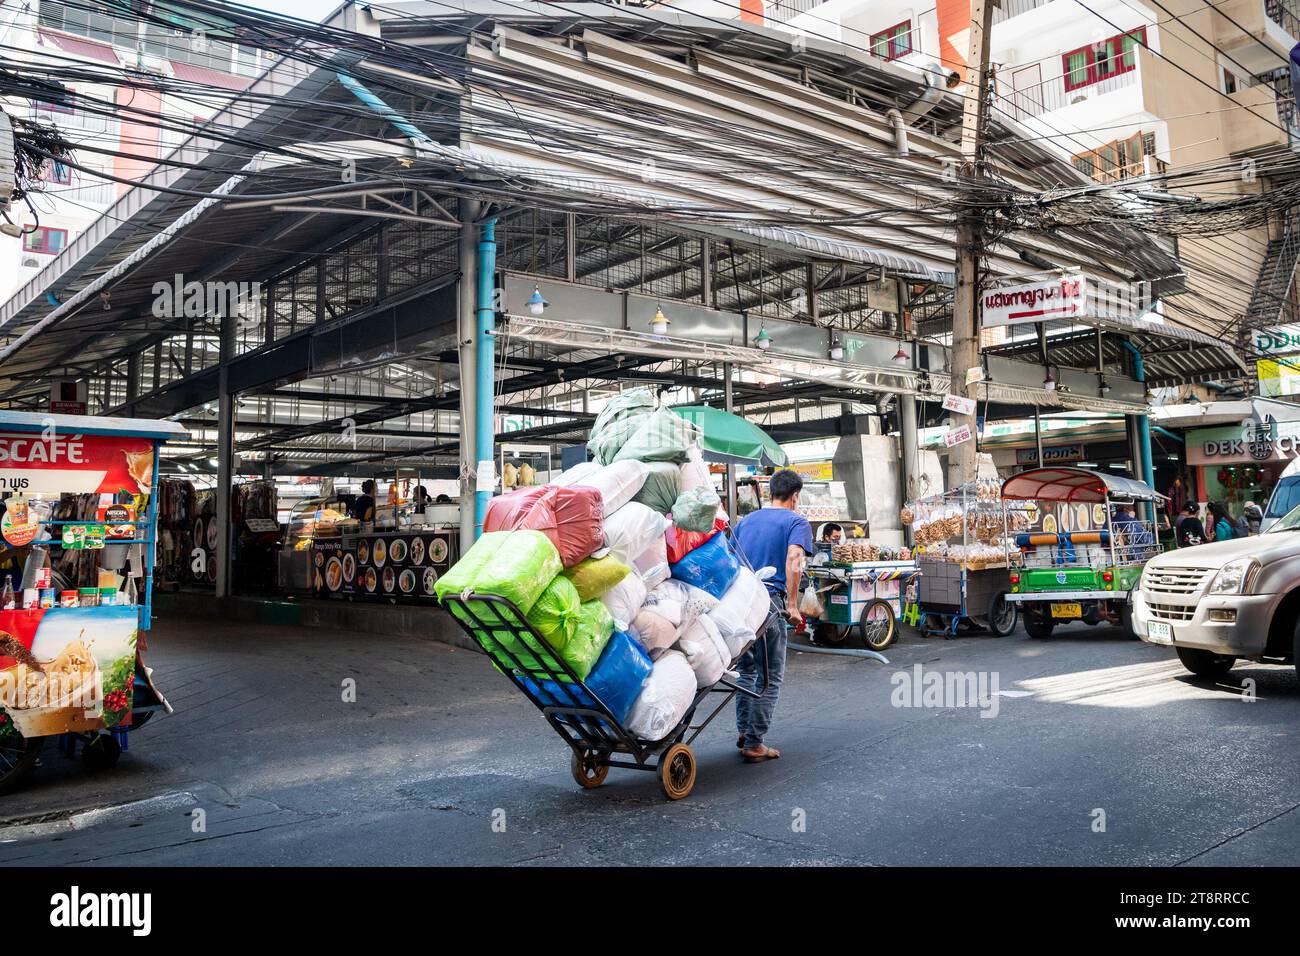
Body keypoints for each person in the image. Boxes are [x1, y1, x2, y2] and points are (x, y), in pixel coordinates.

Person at [730, 469, 814, 764]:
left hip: (738, 604)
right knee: (771, 675)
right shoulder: (796, 521)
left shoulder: (746, 521)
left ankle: (745, 731)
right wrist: (793, 605)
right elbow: (794, 559)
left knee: (747, 672)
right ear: (795, 496)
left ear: (769, 493)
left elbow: (730, 561)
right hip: (768, 603)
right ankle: (754, 743)